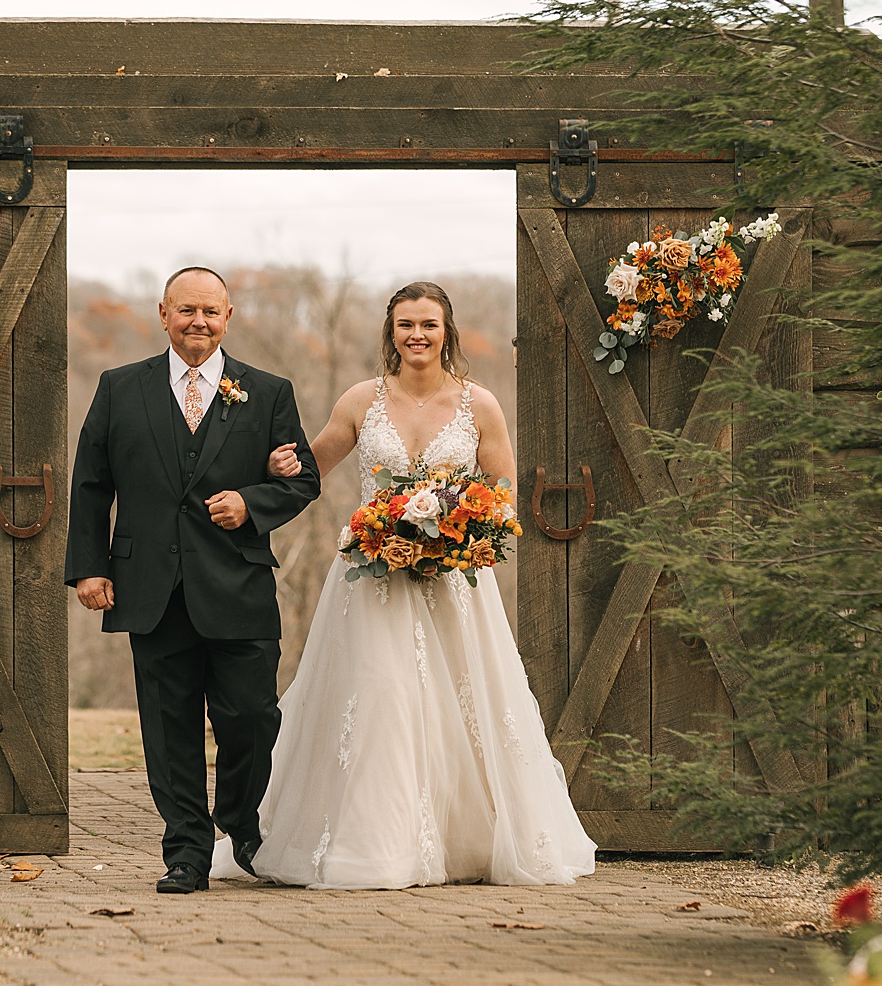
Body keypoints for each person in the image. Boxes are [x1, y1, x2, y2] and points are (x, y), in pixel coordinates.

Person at [211, 281, 596, 888]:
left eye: (429, 325)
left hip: (453, 580)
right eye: (405, 325)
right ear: (390, 333)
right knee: (381, 696)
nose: (417, 335)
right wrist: (273, 466)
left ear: (448, 333)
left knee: (462, 702)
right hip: (372, 578)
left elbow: (503, 495)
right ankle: (377, 842)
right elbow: (311, 467)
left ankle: (465, 839)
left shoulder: (480, 405)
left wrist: (458, 536)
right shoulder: (361, 399)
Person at [66, 266, 320, 894]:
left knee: (253, 718)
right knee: (168, 725)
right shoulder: (120, 387)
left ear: (228, 317)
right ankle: (186, 851)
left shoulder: (268, 391)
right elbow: (92, 484)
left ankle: (241, 824)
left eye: (210, 311)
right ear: (163, 313)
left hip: (238, 584)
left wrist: (252, 504)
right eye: (186, 310)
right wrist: (89, 567)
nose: (198, 321)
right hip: (151, 588)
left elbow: (302, 479)